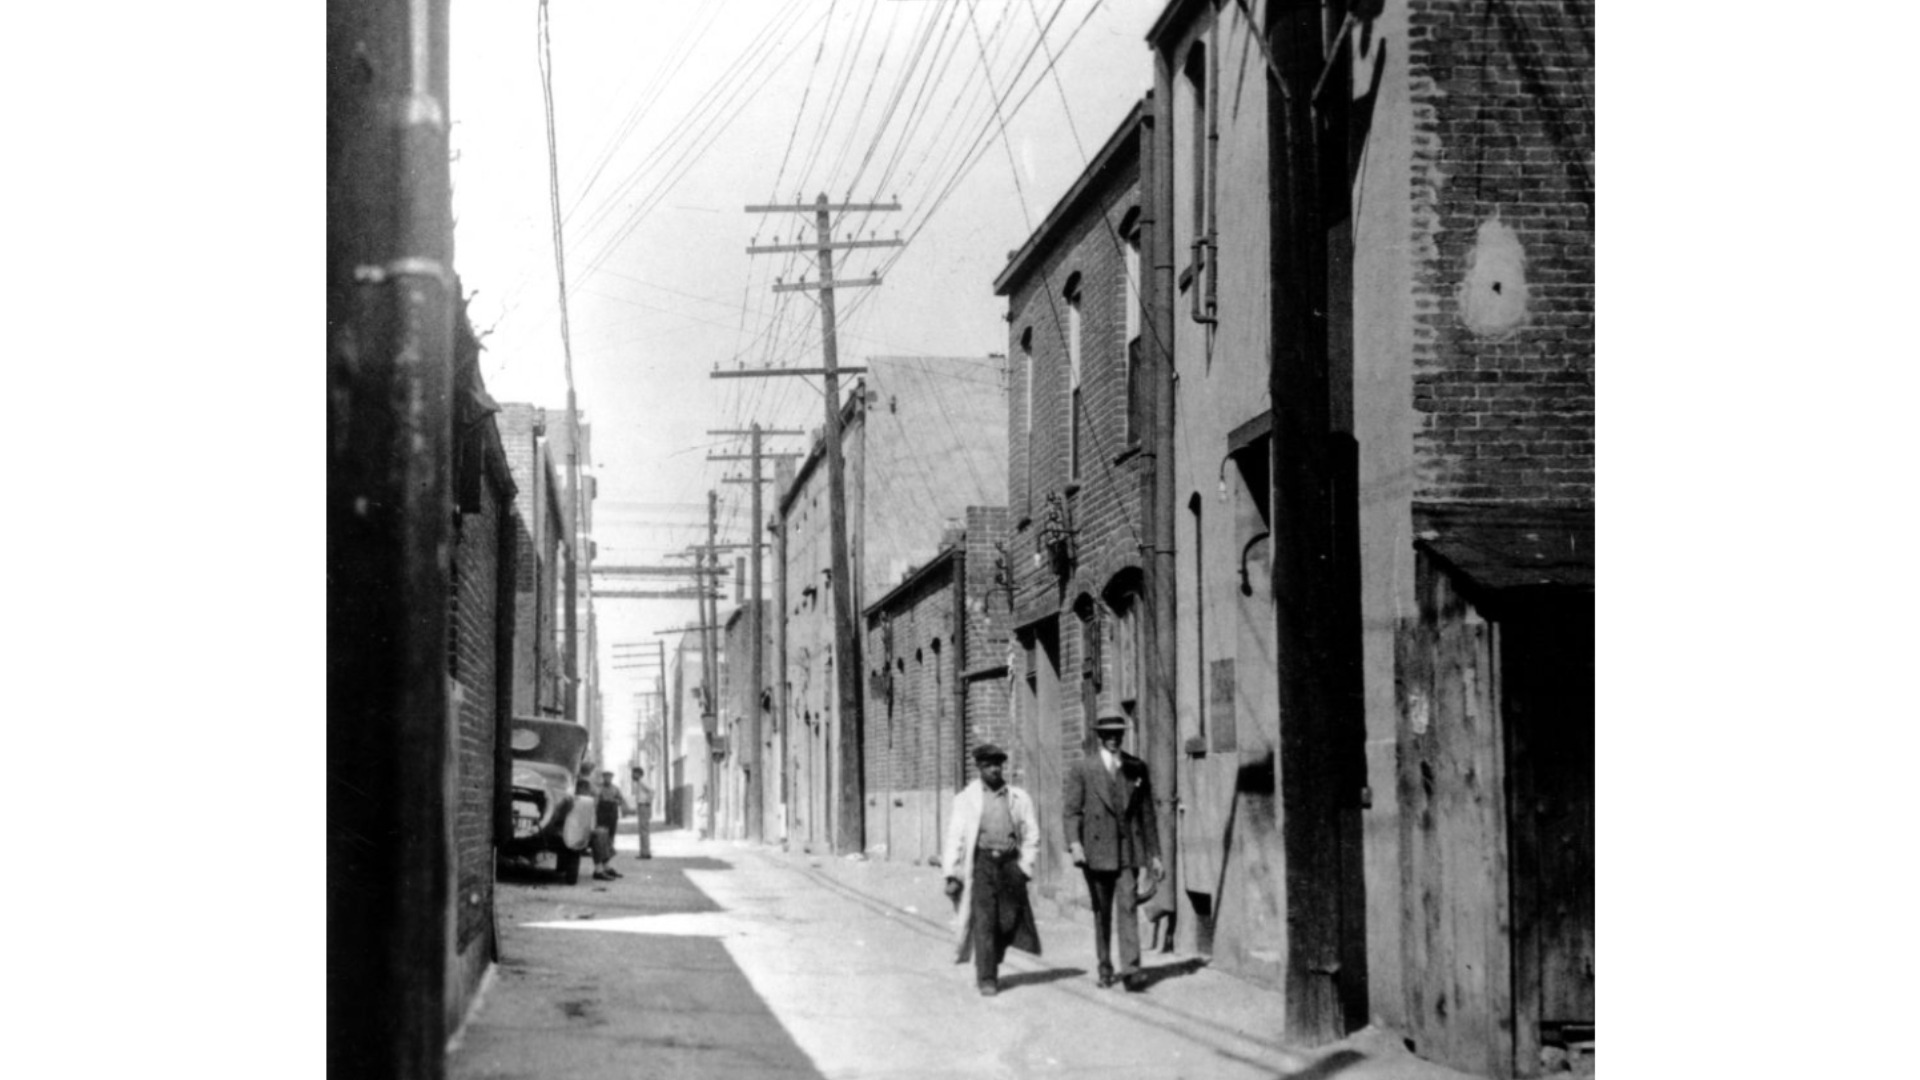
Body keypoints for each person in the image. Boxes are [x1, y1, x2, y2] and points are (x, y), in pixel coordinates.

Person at [1064, 709, 1163, 992]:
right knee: (1102, 912)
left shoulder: (1136, 768)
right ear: (1099, 737)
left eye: (1117, 735)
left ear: (1123, 736)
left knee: (1129, 907)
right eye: (1107, 735)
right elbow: (1071, 811)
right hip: (1096, 852)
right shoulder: (1084, 769)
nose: (1112, 740)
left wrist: (1155, 855)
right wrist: (1075, 845)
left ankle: (1131, 971)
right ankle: (1105, 966)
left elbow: (1147, 815)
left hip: (1128, 850)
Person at [941, 743, 1042, 997]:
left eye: (998, 765)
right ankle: (987, 977)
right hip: (982, 864)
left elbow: (1031, 834)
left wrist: (1025, 867)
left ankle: (991, 959)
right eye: (988, 766)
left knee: (1007, 921)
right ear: (979, 768)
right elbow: (956, 837)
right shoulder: (966, 799)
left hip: (1010, 864)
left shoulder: (1018, 798)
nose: (994, 770)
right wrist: (952, 873)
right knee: (984, 920)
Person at [591, 770, 632, 881]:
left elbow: (621, 800)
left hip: (612, 815)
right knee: (601, 839)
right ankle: (601, 868)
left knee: (610, 839)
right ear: (603, 777)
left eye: (609, 777)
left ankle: (606, 866)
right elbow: (594, 802)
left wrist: (617, 802)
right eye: (605, 777)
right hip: (601, 815)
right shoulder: (598, 788)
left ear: (612, 778)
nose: (607, 779)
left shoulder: (615, 789)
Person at [630, 766, 654, 859]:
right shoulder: (640, 782)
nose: (632, 776)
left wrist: (648, 801)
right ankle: (644, 852)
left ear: (638, 773)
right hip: (642, 805)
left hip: (644, 805)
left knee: (643, 830)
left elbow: (652, 790)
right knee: (643, 830)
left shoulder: (642, 781)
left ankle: (645, 853)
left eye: (633, 773)